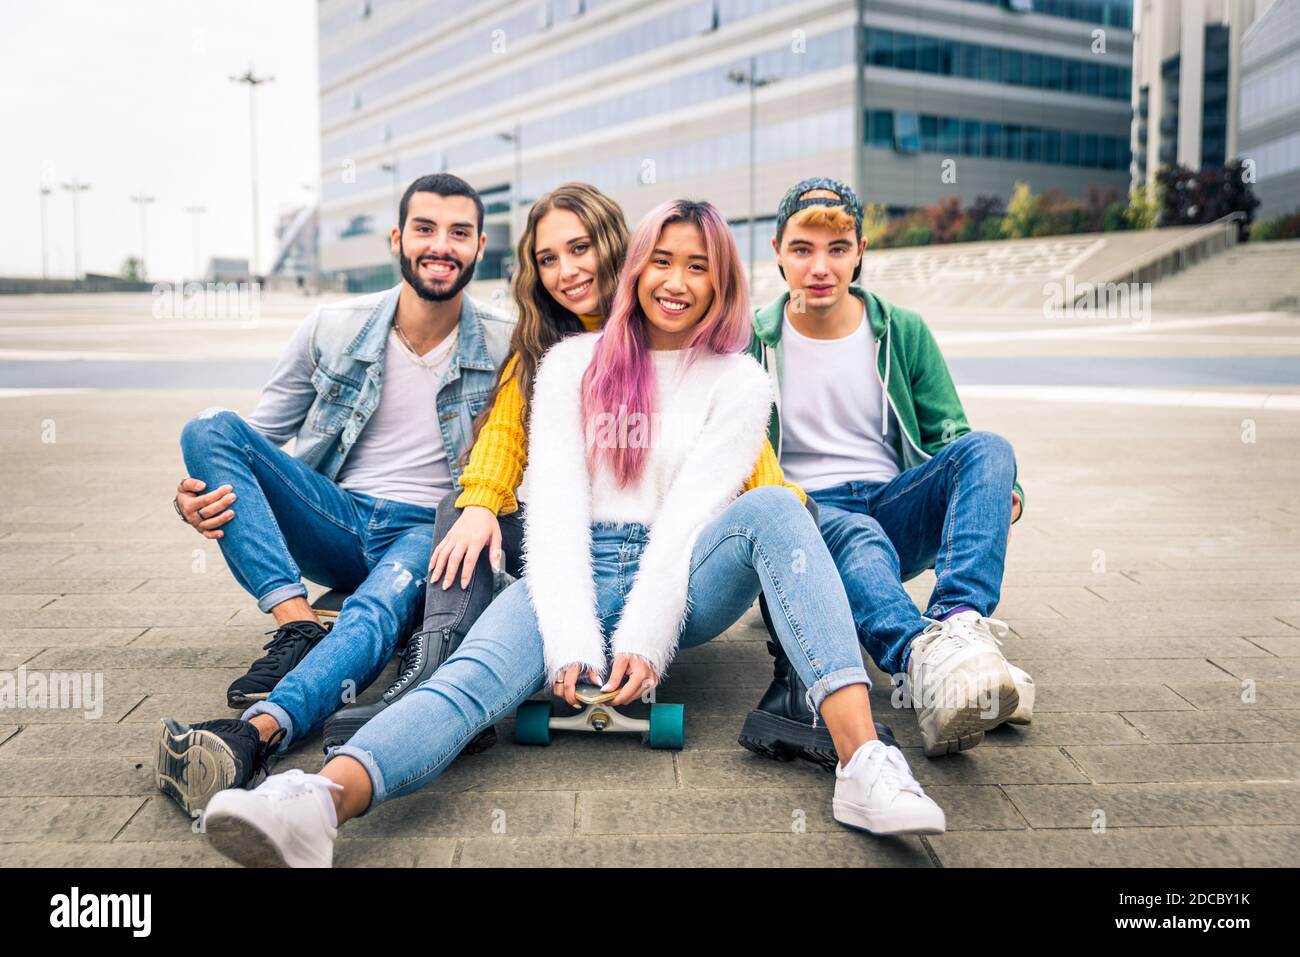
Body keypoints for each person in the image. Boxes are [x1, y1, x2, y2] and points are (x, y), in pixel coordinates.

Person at [198, 199, 946, 867]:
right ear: (636, 268)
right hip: (568, 567)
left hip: (682, 575)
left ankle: (864, 761)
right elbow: (551, 509)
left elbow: (689, 523)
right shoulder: (569, 364)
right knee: (467, 683)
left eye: (698, 267)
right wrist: (572, 639)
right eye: (662, 262)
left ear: (723, 283)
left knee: (779, 510)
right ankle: (320, 803)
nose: (677, 282)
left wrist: (646, 644)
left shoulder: (740, 381)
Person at [317, 182, 896, 754]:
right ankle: (438, 666)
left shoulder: (676, 331)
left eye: (580, 248)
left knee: (791, 508)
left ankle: (800, 682)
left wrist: (769, 509)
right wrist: (480, 501)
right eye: (548, 258)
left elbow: (731, 452)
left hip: (670, 539)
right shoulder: (548, 347)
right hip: (564, 531)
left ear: (620, 250)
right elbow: (504, 439)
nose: (566, 271)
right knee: (462, 509)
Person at [155, 173, 513, 816]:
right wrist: (189, 499)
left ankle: (253, 737)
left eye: (460, 233)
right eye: (426, 229)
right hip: (337, 515)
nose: (442, 245)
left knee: (373, 614)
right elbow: (251, 445)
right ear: (397, 238)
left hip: (429, 532)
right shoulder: (331, 326)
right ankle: (297, 627)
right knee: (207, 426)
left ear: (480, 246)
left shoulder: (506, 340)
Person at [742, 177, 1034, 761]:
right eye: (802, 249)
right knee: (858, 531)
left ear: (860, 250)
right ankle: (923, 664)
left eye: (837, 249)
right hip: (810, 514)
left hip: (894, 500)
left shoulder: (902, 329)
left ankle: (959, 623)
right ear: (776, 251)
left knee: (990, 448)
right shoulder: (751, 339)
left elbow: (950, 432)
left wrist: (1004, 489)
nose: (820, 267)